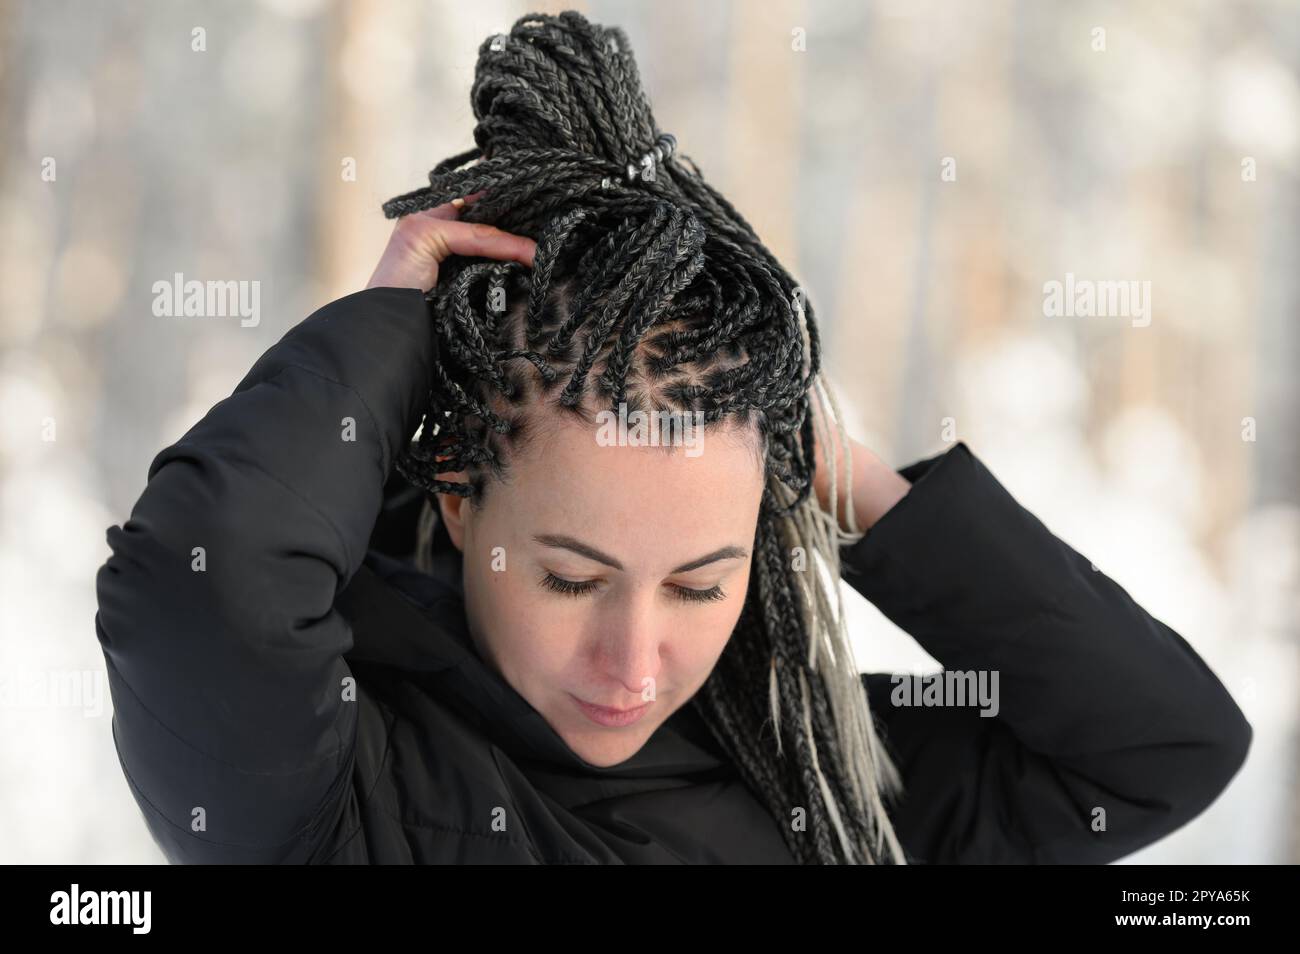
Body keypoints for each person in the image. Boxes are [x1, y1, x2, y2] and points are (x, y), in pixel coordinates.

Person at [93, 11, 1251, 864]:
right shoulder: (338, 789)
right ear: (453, 495)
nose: (633, 663)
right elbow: (204, 586)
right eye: (567, 576)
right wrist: (402, 328)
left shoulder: (825, 780)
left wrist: (823, 470)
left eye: (700, 584)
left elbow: (1162, 747)